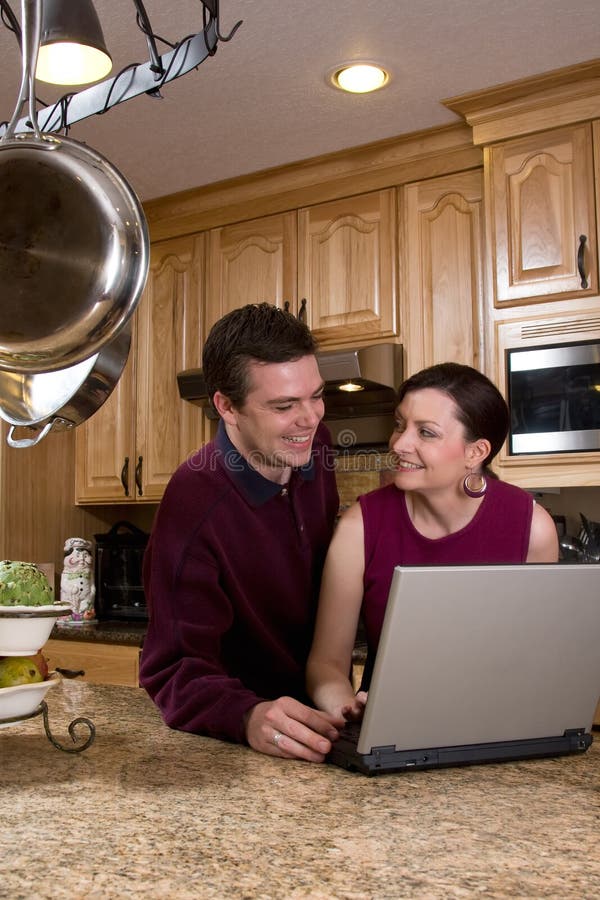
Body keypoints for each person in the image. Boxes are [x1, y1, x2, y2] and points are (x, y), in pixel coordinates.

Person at [139, 303, 342, 762]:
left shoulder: (316, 445)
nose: (309, 418)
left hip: (321, 723)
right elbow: (170, 671)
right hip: (242, 743)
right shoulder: (193, 500)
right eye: (284, 405)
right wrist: (248, 715)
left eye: (316, 395)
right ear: (227, 407)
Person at [306, 362, 559, 721]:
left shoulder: (532, 528)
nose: (400, 443)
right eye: (400, 425)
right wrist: (346, 706)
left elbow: (538, 660)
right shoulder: (360, 525)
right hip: (391, 729)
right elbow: (326, 663)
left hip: (497, 725)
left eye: (426, 432)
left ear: (476, 452)